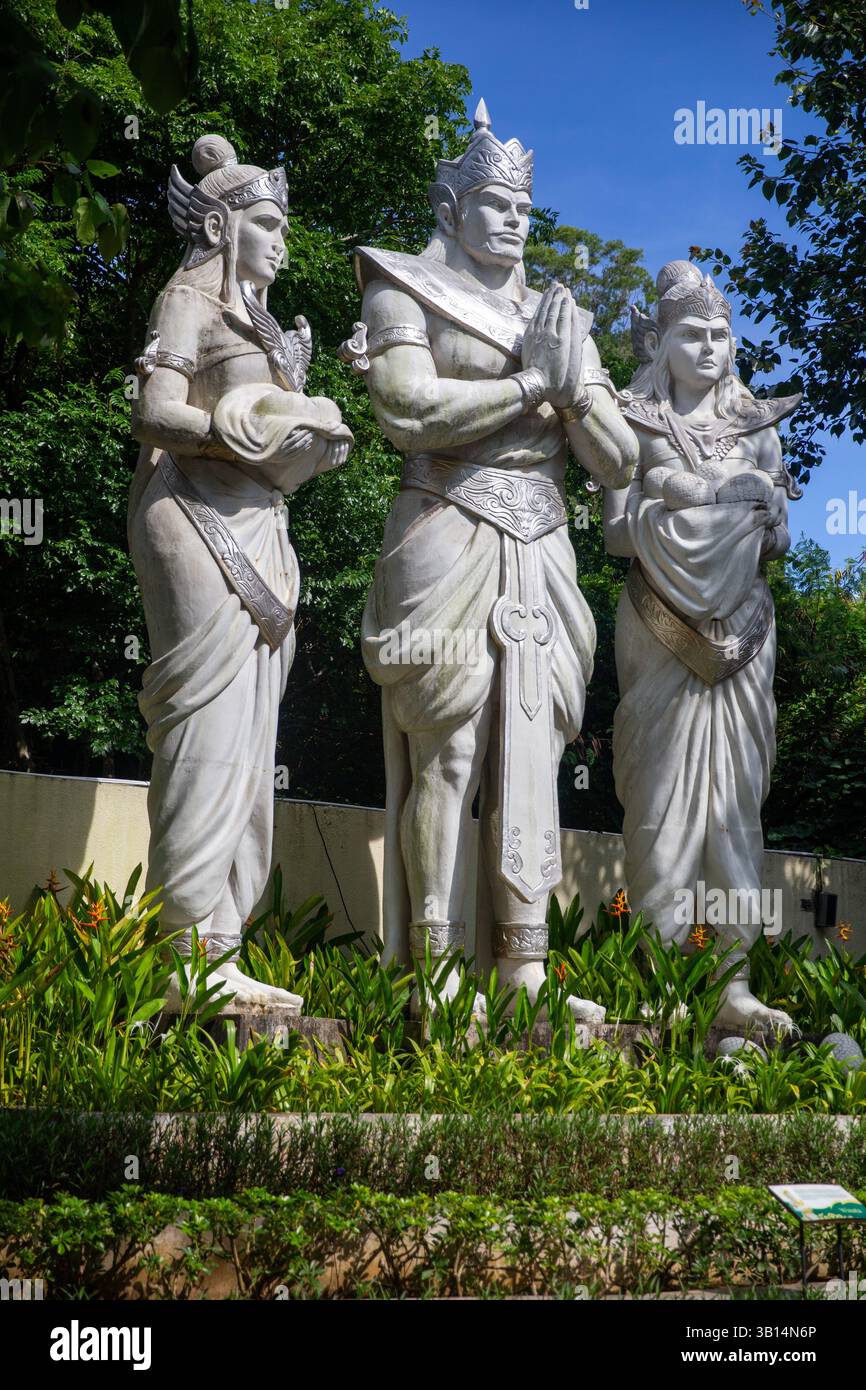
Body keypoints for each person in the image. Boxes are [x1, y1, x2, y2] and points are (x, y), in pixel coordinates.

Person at [343, 101, 636, 1019]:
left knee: (532, 757)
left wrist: (572, 391)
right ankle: (433, 977)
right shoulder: (401, 287)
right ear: (450, 206)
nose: (513, 220)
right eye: (495, 203)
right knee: (455, 747)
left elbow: (621, 458)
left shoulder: (558, 315)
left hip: (543, 544)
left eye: (523, 207)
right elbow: (406, 411)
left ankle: (524, 975)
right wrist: (530, 387)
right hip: (445, 525)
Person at [130, 134, 351, 1010]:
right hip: (191, 511)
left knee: (254, 741)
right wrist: (248, 427)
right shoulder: (188, 298)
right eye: (265, 222)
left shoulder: (260, 320)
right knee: (205, 727)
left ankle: (220, 945)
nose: (281, 240)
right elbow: (154, 411)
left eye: (284, 224)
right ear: (220, 225)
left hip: (264, 521)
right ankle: (181, 952)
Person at [604, 259, 800, 1031]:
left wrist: (757, 511)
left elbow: (779, 536)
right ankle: (653, 979)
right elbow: (617, 533)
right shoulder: (630, 420)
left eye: (721, 332)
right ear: (661, 341)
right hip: (659, 627)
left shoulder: (759, 426)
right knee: (659, 803)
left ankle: (733, 986)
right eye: (692, 332)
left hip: (746, 635)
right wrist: (680, 503)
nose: (710, 345)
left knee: (736, 806)